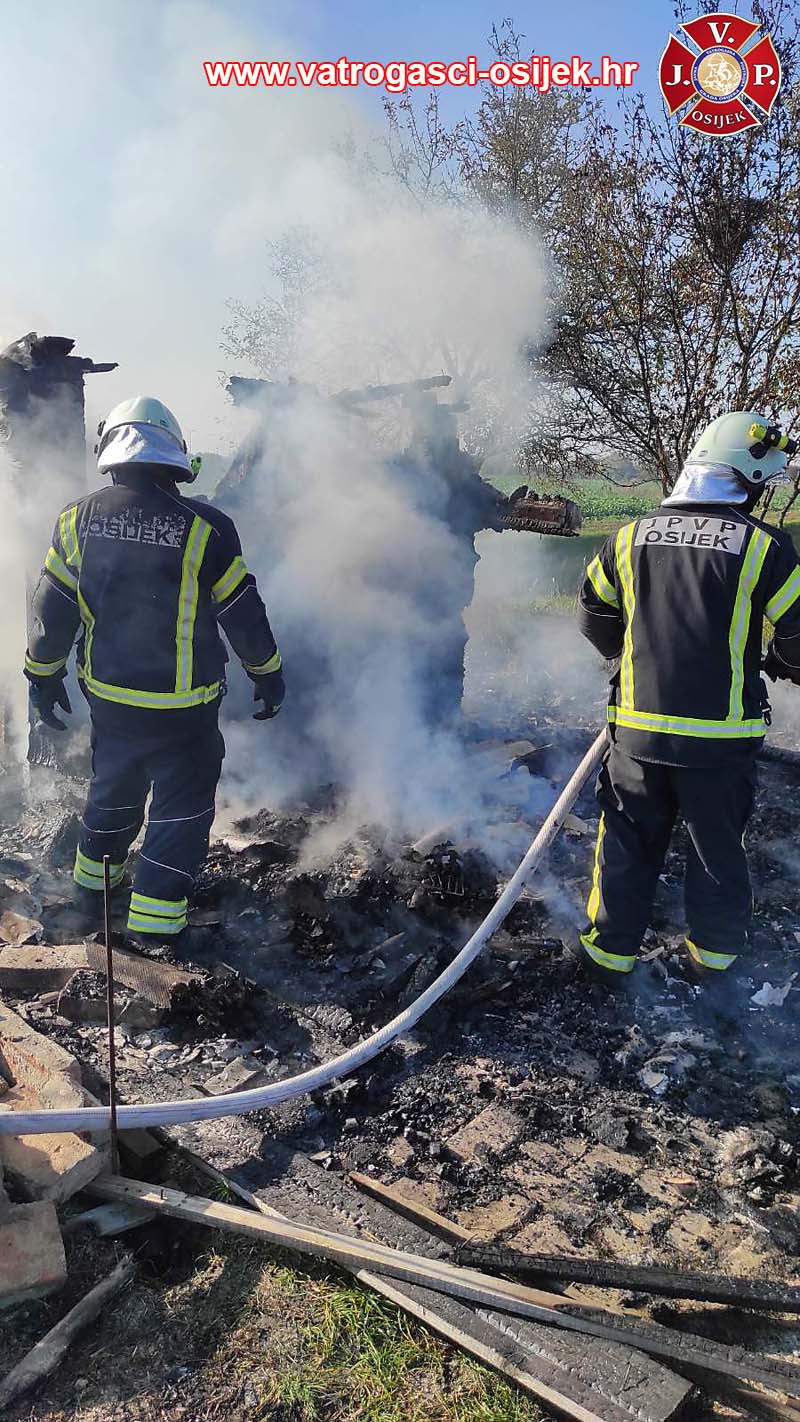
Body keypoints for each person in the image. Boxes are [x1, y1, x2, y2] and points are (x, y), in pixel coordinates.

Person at [24, 396, 285, 940]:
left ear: (111, 454)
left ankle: (90, 897)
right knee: (181, 806)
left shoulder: (76, 521)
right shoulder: (207, 528)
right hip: (184, 709)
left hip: (111, 700)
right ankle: (155, 925)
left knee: (112, 788)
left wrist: (42, 676)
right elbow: (244, 615)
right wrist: (268, 674)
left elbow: (52, 612)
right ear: (175, 459)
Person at [575, 410, 800, 985]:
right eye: (759, 482)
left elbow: (593, 615)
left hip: (636, 733)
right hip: (719, 745)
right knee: (715, 852)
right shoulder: (764, 548)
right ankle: (712, 961)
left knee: (626, 842)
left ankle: (607, 959)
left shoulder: (626, 539)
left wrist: (627, 658)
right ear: (739, 475)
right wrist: (774, 663)